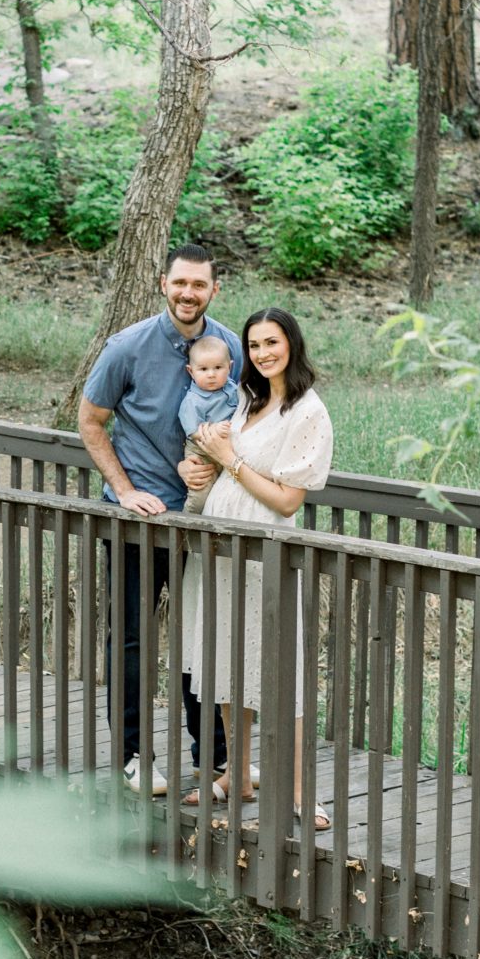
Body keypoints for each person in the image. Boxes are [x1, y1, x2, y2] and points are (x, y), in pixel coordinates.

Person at [78, 246, 241, 791]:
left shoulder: (231, 349)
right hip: (138, 520)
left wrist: (217, 469)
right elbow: (91, 421)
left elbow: (247, 423)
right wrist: (125, 491)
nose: (188, 293)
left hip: (203, 520)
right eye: (180, 283)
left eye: (199, 284)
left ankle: (213, 758)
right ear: (162, 284)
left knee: (203, 637)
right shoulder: (126, 347)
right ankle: (133, 756)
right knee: (132, 638)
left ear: (214, 289)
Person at [180, 307, 332, 828]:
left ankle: (299, 789)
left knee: (279, 667)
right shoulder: (248, 399)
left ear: (292, 343)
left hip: (267, 550)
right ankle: (237, 775)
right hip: (222, 549)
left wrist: (230, 459)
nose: (263, 353)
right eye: (254, 345)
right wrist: (199, 463)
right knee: (228, 658)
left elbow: (288, 500)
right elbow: (220, 457)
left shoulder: (307, 411)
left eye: (272, 342)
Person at [178, 336, 240, 516]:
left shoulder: (232, 388)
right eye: (203, 369)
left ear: (229, 367)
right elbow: (194, 432)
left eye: (218, 368)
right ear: (191, 371)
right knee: (200, 496)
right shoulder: (193, 401)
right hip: (202, 453)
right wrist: (214, 430)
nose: (211, 374)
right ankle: (187, 524)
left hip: (228, 451)